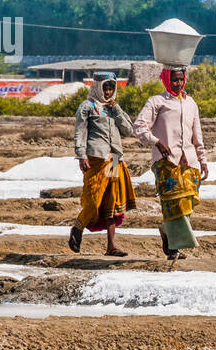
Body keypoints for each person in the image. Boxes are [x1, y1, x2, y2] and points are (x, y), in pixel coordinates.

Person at [133, 65, 208, 260]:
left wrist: (203, 160)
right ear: (166, 80)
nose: (178, 83)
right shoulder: (156, 102)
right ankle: (173, 248)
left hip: (189, 162)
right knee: (172, 203)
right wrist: (157, 142)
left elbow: (197, 135)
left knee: (187, 202)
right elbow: (139, 126)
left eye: (181, 79)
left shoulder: (191, 103)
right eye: (174, 80)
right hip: (167, 162)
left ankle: (167, 230)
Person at [69, 73, 136, 256]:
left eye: (111, 88)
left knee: (111, 202)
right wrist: (81, 155)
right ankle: (78, 227)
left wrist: (118, 111)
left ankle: (111, 246)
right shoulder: (87, 107)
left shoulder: (114, 108)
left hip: (114, 159)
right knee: (93, 200)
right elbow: (80, 133)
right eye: (105, 88)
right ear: (98, 87)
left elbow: (129, 131)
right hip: (96, 159)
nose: (108, 92)